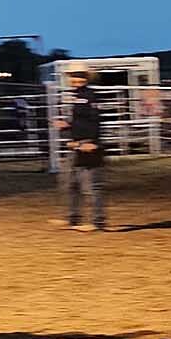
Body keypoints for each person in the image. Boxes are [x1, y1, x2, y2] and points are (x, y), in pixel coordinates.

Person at [54, 65, 105, 232]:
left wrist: (94, 142)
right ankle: (73, 218)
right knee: (71, 183)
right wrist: (67, 126)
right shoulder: (77, 96)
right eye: (73, 76)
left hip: (87, 144)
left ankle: (97, 222)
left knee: (91, 185)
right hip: (77, 144)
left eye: (79, 76)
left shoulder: (88, 96)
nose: (75, 80)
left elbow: (96, 121)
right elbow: (84, 121)